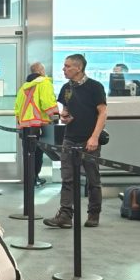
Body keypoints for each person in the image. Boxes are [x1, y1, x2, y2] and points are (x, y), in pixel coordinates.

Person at [44, 54, 107, 229]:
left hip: (89, 139)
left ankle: (94, 213)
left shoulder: (95, 87)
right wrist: (65, 117)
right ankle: (65, 215)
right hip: (69, 138)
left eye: (67, 66)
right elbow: (66, 110)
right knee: (67, 178)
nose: (63, 69)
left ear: (78, 68)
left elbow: (103, 112)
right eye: (64, 66)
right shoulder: (66, 87)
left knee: (92, 179)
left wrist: (94, 137)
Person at [14, 62, 58, 187]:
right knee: (38, 153)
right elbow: (47, 103)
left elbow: (17, 107)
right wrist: (56, 116)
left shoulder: (24, 87)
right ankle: (35, 178)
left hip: (25, 126)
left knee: (28, 153)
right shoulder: (44, 83)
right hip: (39, 125)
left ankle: (30, 179)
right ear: (41, 71)